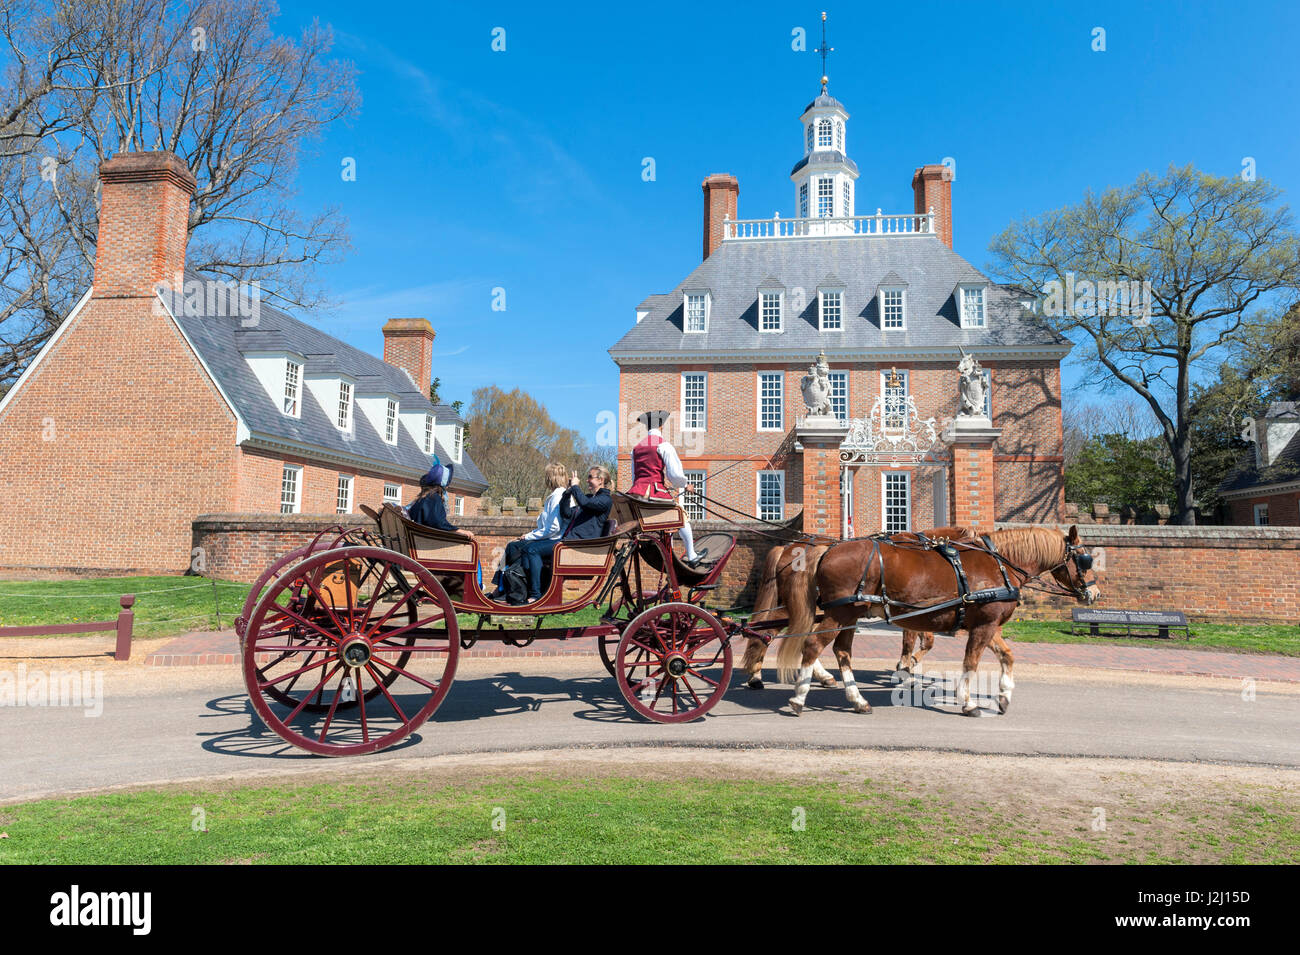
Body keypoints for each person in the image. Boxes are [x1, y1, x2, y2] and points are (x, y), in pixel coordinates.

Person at [628, 410, 703, 565]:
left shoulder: (635, 449)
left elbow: (636, 476)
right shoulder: (663, 445)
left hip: (637, 493)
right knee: (681, 517)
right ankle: (692, 555)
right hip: (654, 493)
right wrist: (685, 485)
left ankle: (669, 554)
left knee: (666, 521)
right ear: (661, 426)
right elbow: (675, 474)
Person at [490, 461, 568, 604]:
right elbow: (546, 526)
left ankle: (527, 591)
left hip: (554, 539)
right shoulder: (553, 496)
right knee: (512, 546)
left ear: (551, 477)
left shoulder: (558, 497)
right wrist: (529, 535)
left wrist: (530, 536)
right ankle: (501, 587)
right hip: (547, 536)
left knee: (527, 549)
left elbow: (554, 528)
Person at [408, 461, 475, 542]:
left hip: (418, 540)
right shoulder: (434, 499)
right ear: (443, 485)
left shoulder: (420, 499)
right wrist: (461, 531)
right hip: (426, 544)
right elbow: (439, 523)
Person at [560, 465, 613, 539]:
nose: (587, 480)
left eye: (590, 477)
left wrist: (575, 486)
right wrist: (568, 492)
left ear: (601, 480)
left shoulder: (605, 499)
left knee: (537, 548)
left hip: (583, 545)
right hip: (569, 540)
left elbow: (585, 503)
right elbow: (566, 513)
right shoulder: (589, 497)